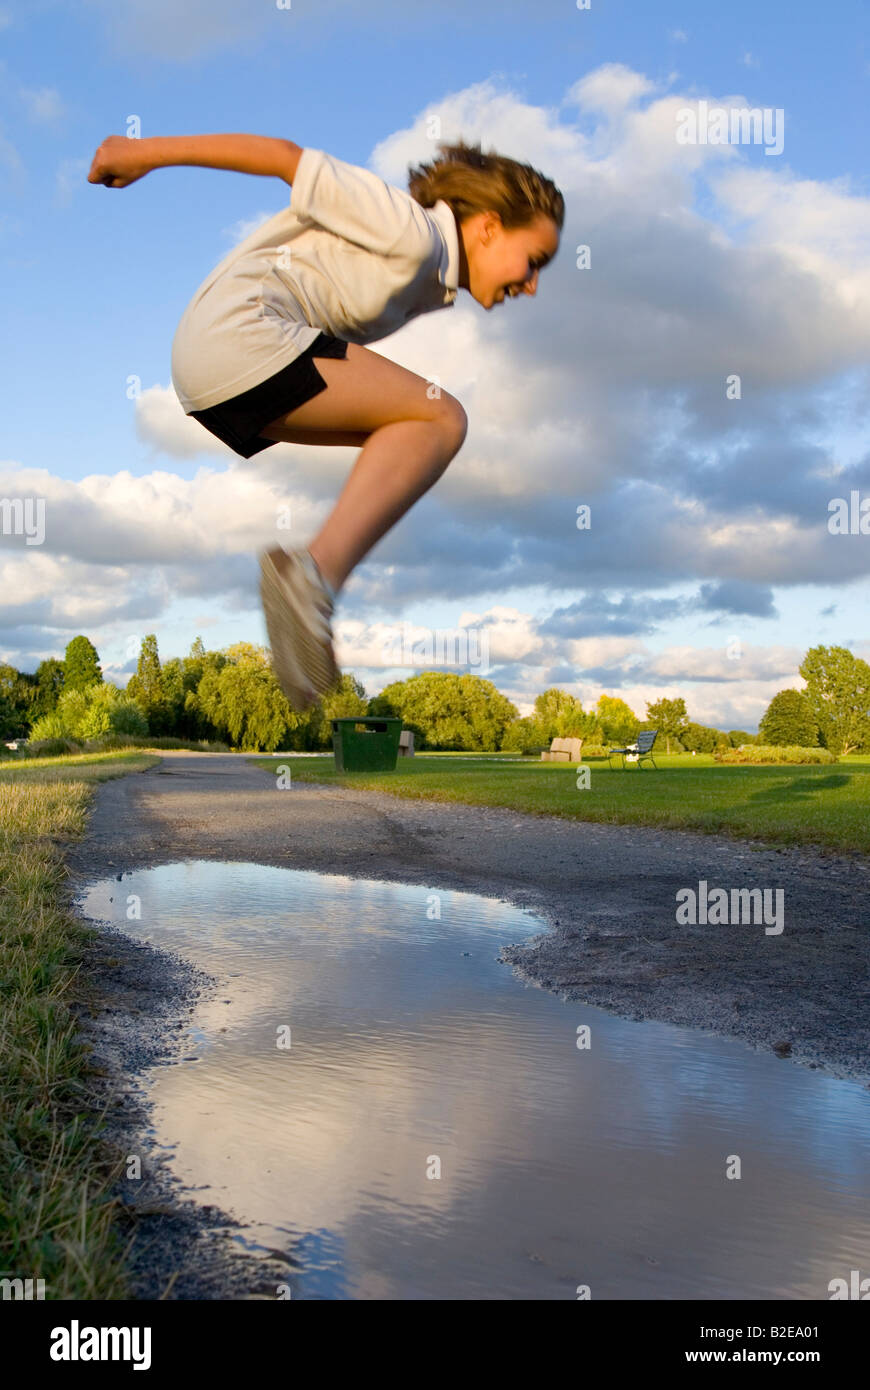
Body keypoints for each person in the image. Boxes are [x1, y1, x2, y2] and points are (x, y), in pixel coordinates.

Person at [87, 132, 564, 710]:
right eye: (534, 261)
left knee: (415, 432)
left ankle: (311, 586)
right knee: (441, 419)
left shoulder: (423, 273)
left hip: (218, 379)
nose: (533, 285)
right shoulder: (411, 232)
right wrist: (145, 153)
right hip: (239, 337)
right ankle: (311, 582)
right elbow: (289, 159)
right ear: (488, 226)